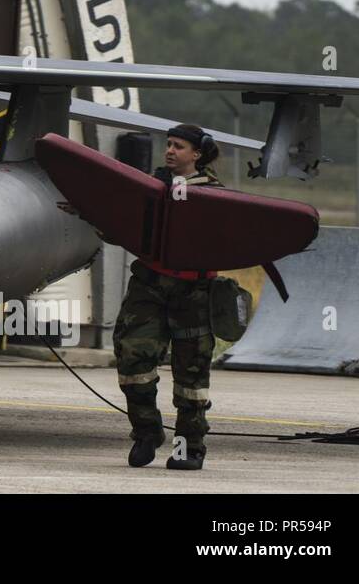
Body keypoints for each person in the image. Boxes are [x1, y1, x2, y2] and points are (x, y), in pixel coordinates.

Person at [113, 123, 224, 471]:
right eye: (169, 144)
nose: (170, 151)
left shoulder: (216, 196)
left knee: (191, 374)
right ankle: (146, 432)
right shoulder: (149, 187)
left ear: (198, 154)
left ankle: (189, 447)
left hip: (193, 293)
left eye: (179, 146)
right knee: (133, 361)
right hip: (148, 287)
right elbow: (121, 224)